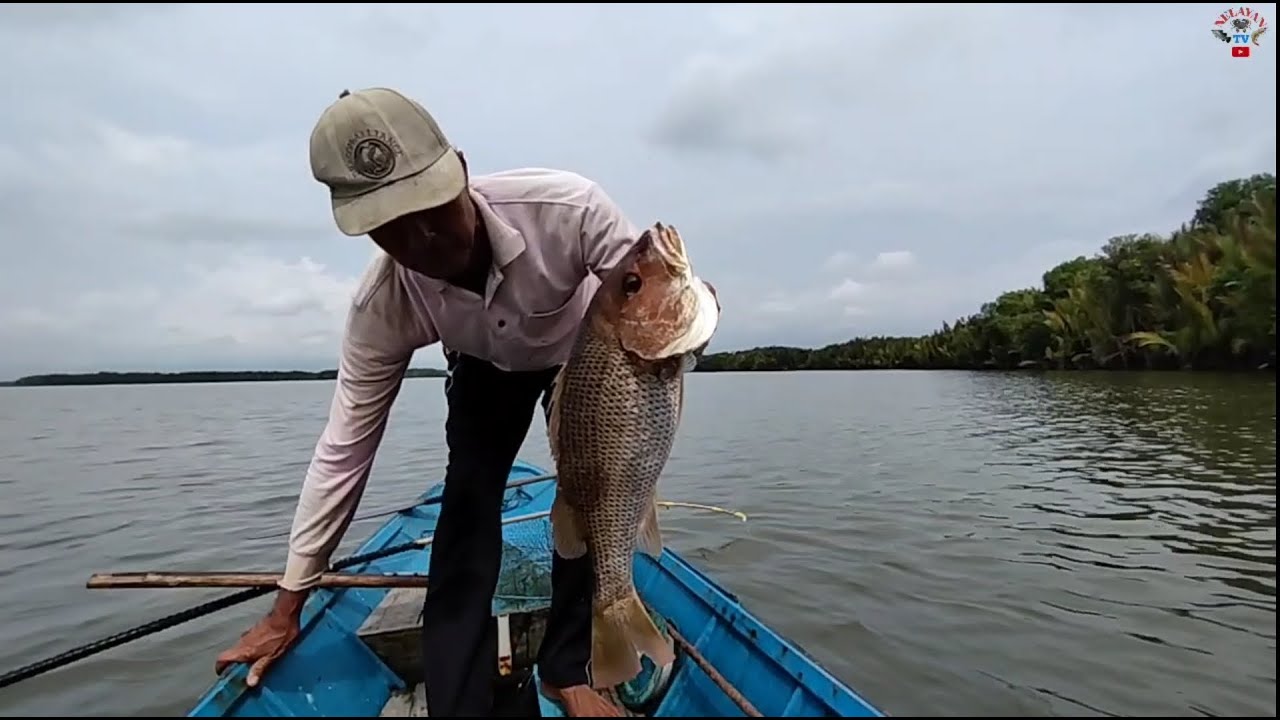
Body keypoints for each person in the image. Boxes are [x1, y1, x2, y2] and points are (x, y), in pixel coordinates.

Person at [213, 87, 714, 717]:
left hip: (589, 361)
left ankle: (569, 670)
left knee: (591, 495)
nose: (422, 235)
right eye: (391, 226)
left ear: (463, 171)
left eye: (431, 204)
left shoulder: (568, 208)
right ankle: (457, 702)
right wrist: (289, 603)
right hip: (484, 368)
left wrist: (695, 311)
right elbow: (343, 451)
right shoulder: (384, 304)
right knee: (468, 505)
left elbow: (654, 306)